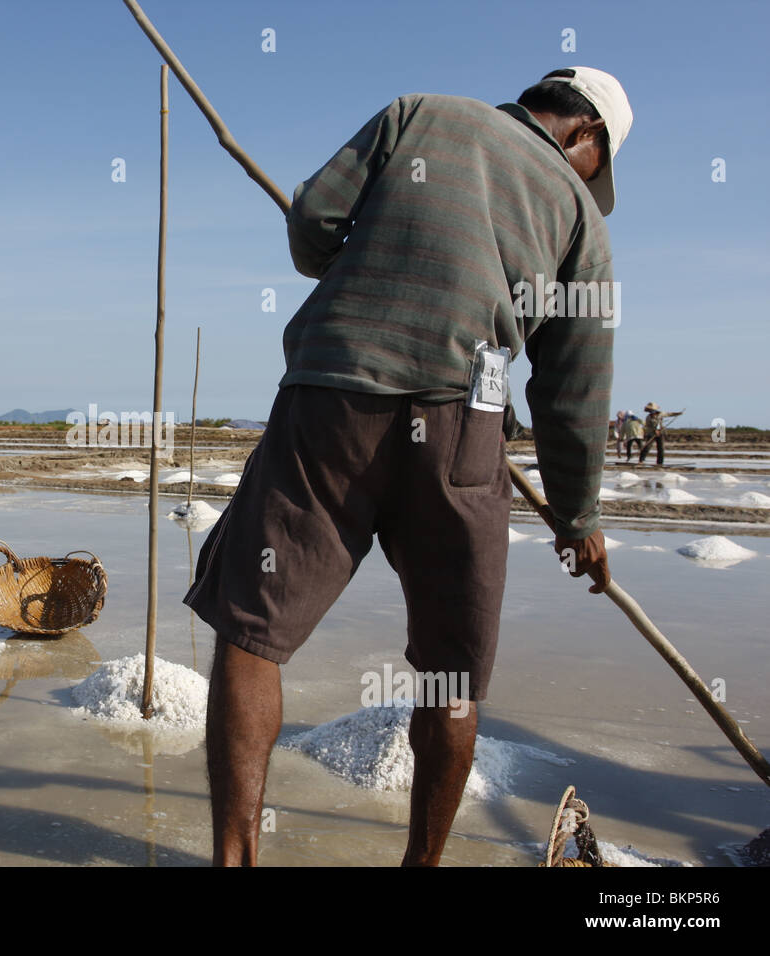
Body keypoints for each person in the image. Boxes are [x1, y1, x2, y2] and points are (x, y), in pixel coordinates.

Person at [184, 67, 630, 866]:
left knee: (252, 631)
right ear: (586, 136)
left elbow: (313, 225)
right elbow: (573, 392)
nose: (587, 178)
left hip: (334, 398)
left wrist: (363, 256)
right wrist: (579, 518)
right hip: (465, 425)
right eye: (597, 166)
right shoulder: (578, 222)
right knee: (449, 679)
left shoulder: (419, 113)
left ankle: (235, 858)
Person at [637, 401, 681, 466]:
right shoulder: (648, 417)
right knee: (647, 447)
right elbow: (648, 427)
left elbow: (669, 414)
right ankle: (641, 460)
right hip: (651, 434)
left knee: (661, 448)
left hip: (660, 433)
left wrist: (677, 413)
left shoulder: (660, 414)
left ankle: (660, 462)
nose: (651, 411)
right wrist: (654, 431)